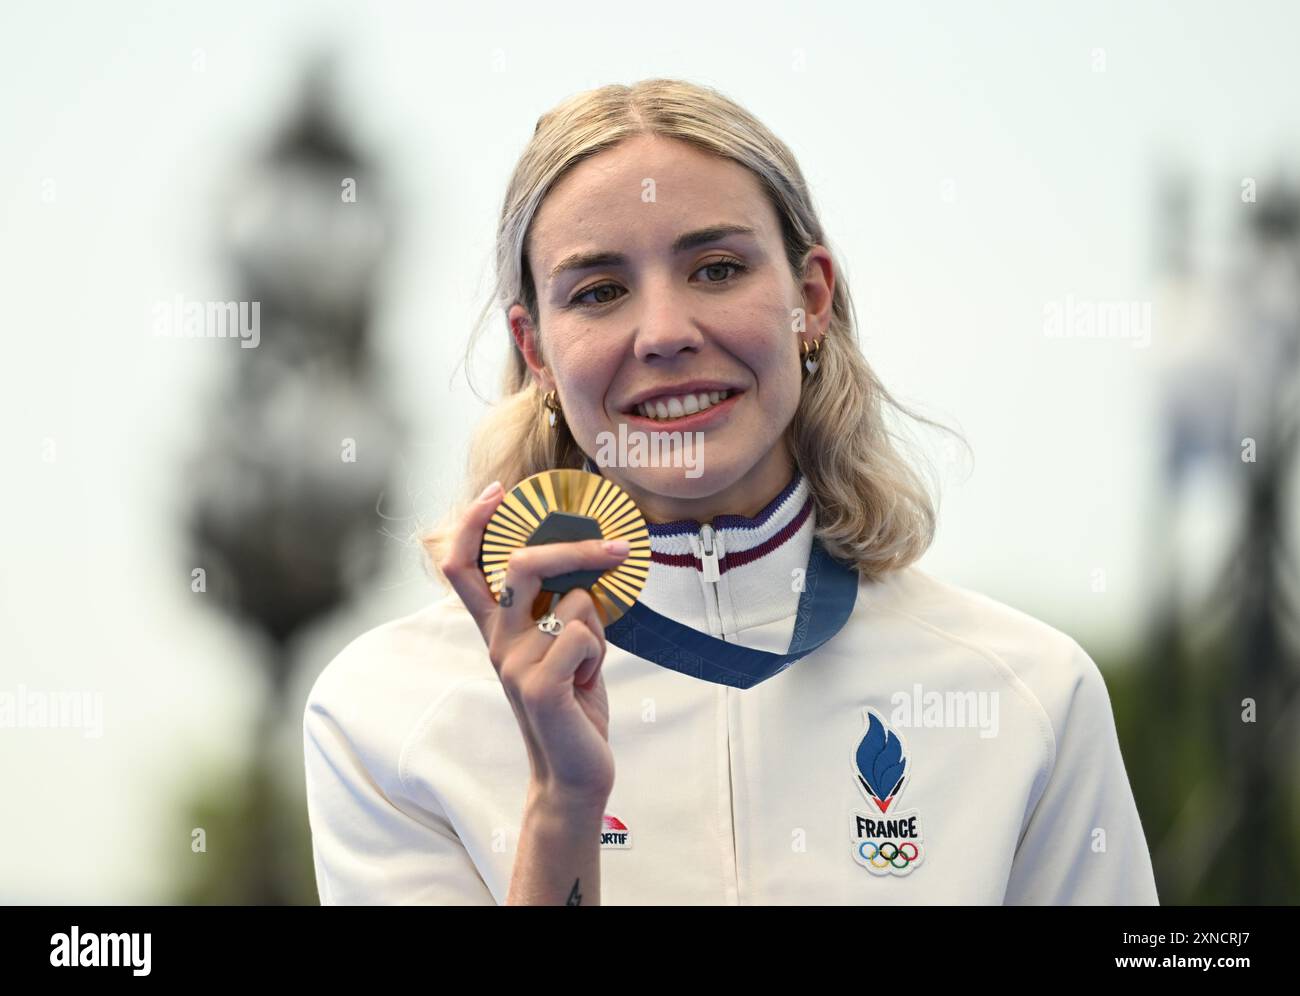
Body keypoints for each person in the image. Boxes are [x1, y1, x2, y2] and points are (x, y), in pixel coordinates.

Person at [302, 78, 1160, 906]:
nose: (667, 333)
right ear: (537, 350)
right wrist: (562, 804)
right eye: (599, 291)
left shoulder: (1029, 692)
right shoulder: (387, 712)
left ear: (810, 299)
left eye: (716, 269)